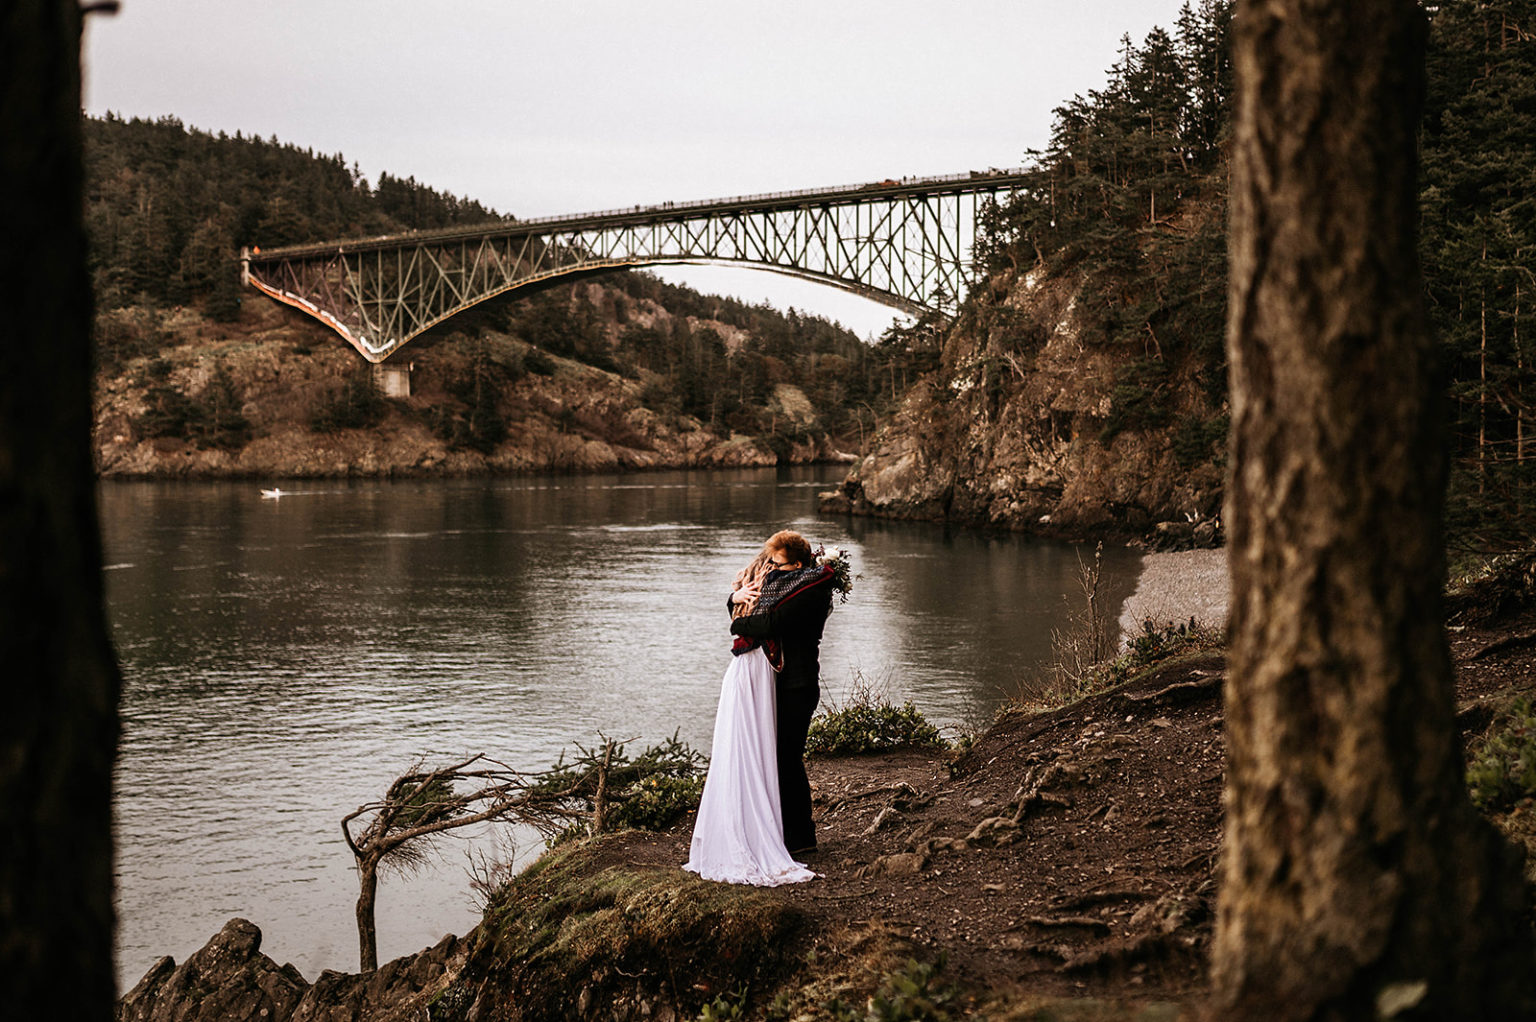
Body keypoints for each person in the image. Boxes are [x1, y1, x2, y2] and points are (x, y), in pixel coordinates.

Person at [683, 531, 835, 884]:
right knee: (775, 758)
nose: (771, 569)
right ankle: (786, 833)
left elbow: (770, 623)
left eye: (777, 563)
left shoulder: (809, 592)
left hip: (797, 687)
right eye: (769, 562)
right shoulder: (788, 584)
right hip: (778, 686)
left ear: (798, 564)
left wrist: (736, 622)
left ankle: (800, 838)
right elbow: (753, 604)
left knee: (787, 758)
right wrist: (732, 598)